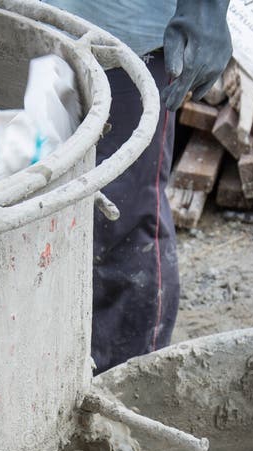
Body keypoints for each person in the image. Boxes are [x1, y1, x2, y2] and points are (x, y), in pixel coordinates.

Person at [43, 0, 232, 372]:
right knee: (36, 215)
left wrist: (206, 8)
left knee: (119, 221)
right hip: (25, 24)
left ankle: (127, 384)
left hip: (125, 37)